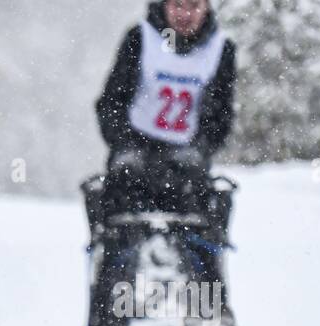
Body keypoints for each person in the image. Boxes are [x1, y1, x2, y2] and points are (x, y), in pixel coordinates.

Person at [94, 0, 237, 224]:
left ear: (207, 7)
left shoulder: (221, 48)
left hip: (188, 149)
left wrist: (202, 146)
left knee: (196, 201)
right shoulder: (140, 37)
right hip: (136, 142)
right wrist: (124, 141)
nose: (184, 14)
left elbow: (221, 114)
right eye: (177, 5)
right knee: (124, 182)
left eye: (193, 6)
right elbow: (112, 101)